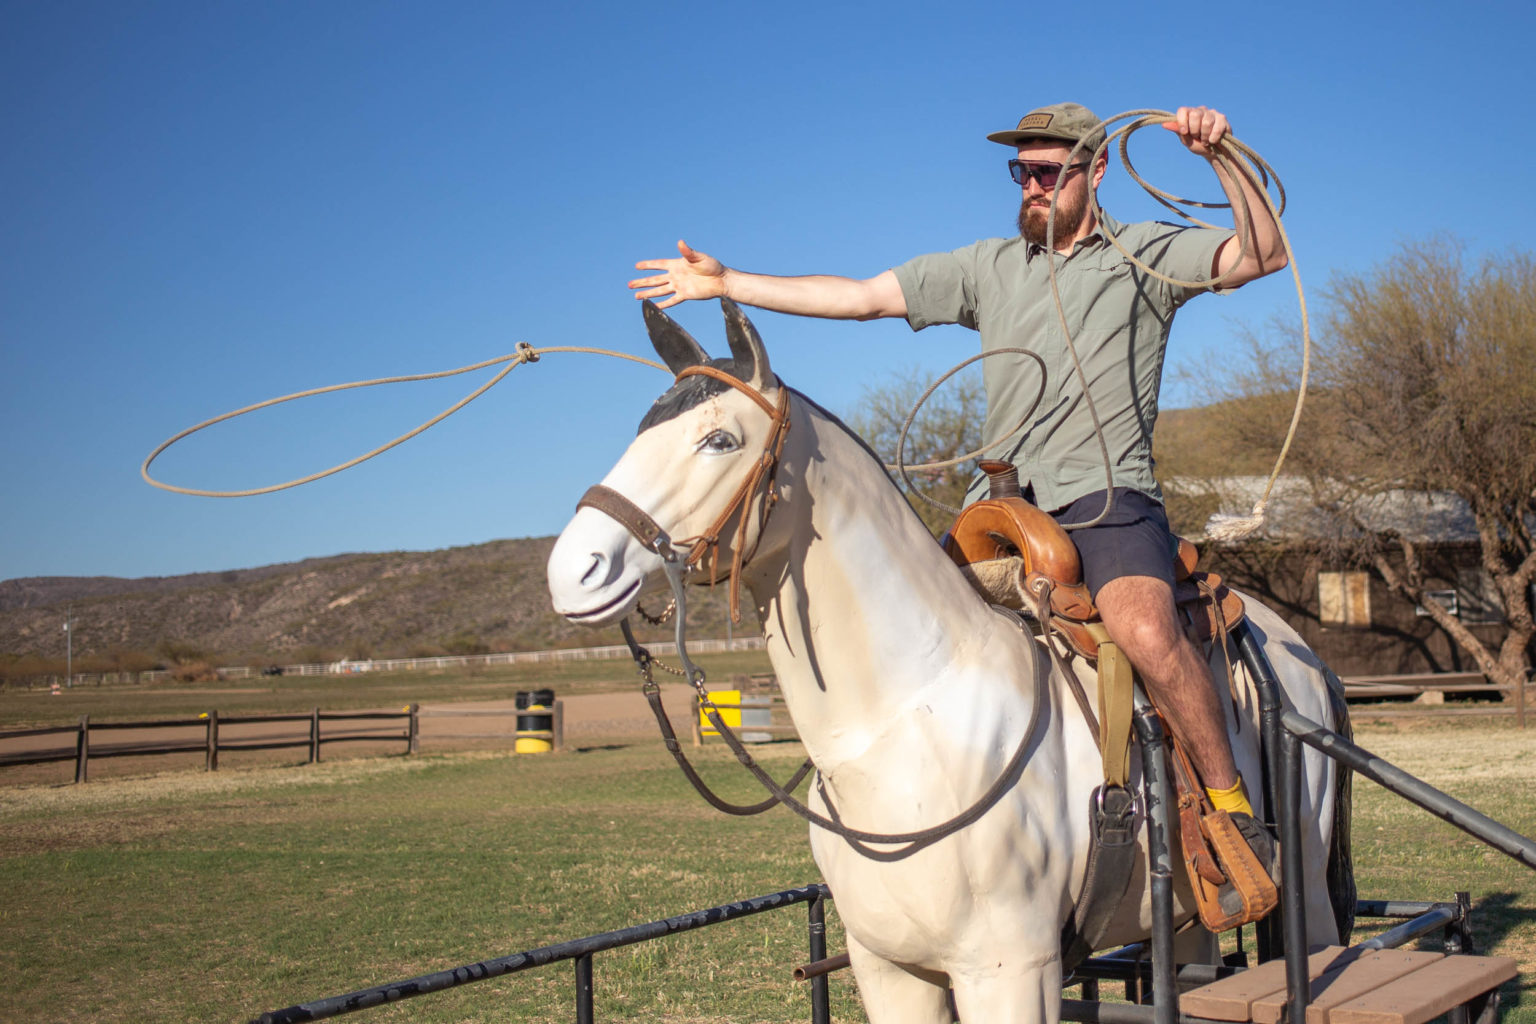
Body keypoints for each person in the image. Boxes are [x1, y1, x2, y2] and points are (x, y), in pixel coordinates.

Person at [628, 102, 1286, 862]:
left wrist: (1218, 156)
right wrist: (730, 282)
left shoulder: (1147, 254)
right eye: (1021, 173)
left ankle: (1231, 807)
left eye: (1047, 172)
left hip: (1108, 500)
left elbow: (1261, 255)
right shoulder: (988, 267)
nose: (1031, 187)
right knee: (898, 628)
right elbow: (863, 296)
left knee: (1143, 629)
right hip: (998, 507)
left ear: (1095, 171)